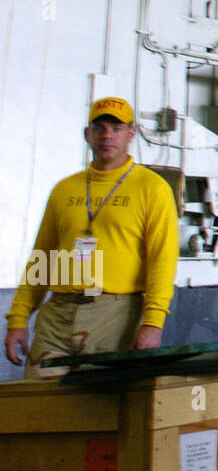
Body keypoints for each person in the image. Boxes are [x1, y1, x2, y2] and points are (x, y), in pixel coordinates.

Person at [5, 98, 179, 378]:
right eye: (99, 128)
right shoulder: (65, 189)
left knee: (99, 412)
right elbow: (43, 257)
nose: (107, 135)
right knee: (39, 406)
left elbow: (163, 260)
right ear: (88, 134)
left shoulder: (152, 189)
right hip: (57, 315)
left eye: (116, 128)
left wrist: (153, 323)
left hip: (115, 316)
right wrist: (18, 318)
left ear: (131, 134)